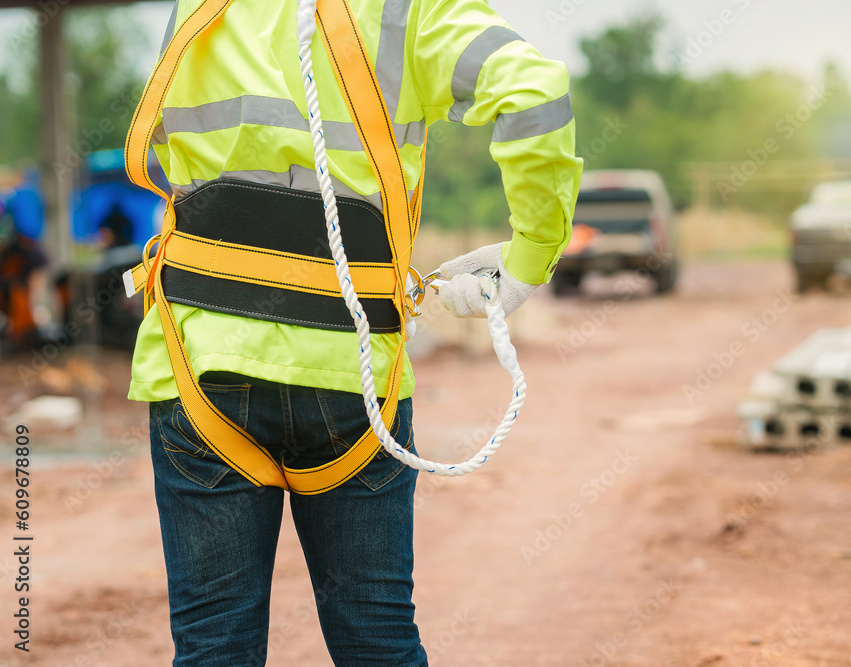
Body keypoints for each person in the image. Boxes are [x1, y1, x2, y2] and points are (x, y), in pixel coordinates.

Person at [127, 0, 582, 664]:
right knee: (376, 637)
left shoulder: (200, 7)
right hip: (353, 374)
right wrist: (529, 258)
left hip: (200, 361)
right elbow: (535, 90)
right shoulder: (409, 9)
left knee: (213, 644)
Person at [0, 202, 46, 355]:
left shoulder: (24, 244)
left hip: (20, 291)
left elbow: (39, 267)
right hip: (5, 291)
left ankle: (22, 338)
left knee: (18, 294)